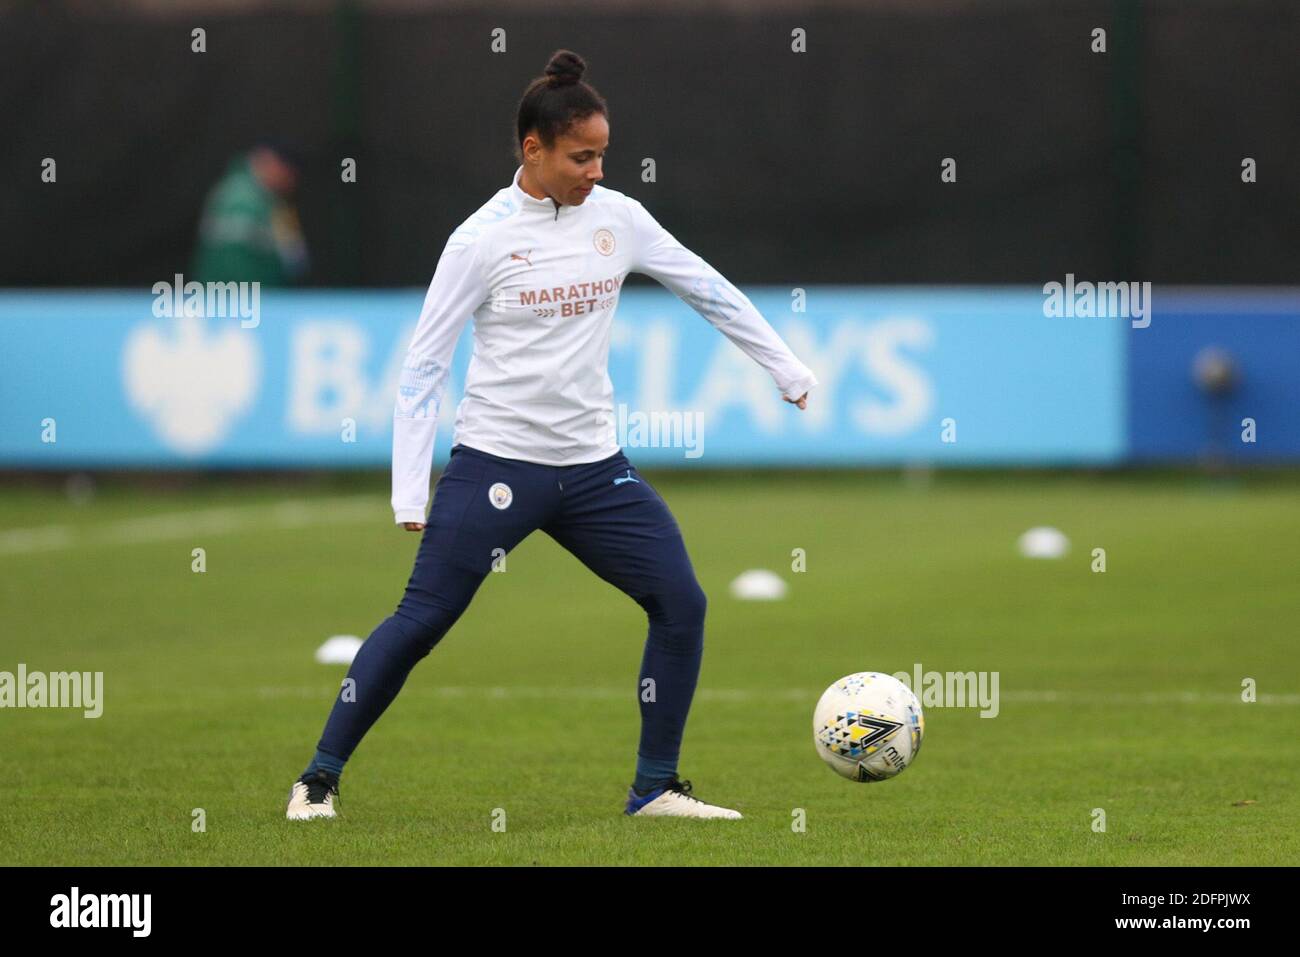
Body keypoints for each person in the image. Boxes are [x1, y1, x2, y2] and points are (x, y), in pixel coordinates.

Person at [286, 49, 817, 822]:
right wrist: (410, 486)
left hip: (597, 472)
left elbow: (706, 287)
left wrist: (785, 366)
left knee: (681, 602)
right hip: (498, 465)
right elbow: (423, 364)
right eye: (582, 155)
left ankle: (655, 788)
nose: (596, 170)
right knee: (423, 620)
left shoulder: (620, 219)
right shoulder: (481, 239)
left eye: (603, 153)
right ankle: (318, 780)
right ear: (532, 149)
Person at [190, 139, 309, 286]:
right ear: (268, 160)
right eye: (287, 171)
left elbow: (295, 260)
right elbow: (229, 262)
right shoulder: (239, 197)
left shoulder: (275, 203)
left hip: (261, 301)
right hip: (237, 301)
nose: (291, 180)